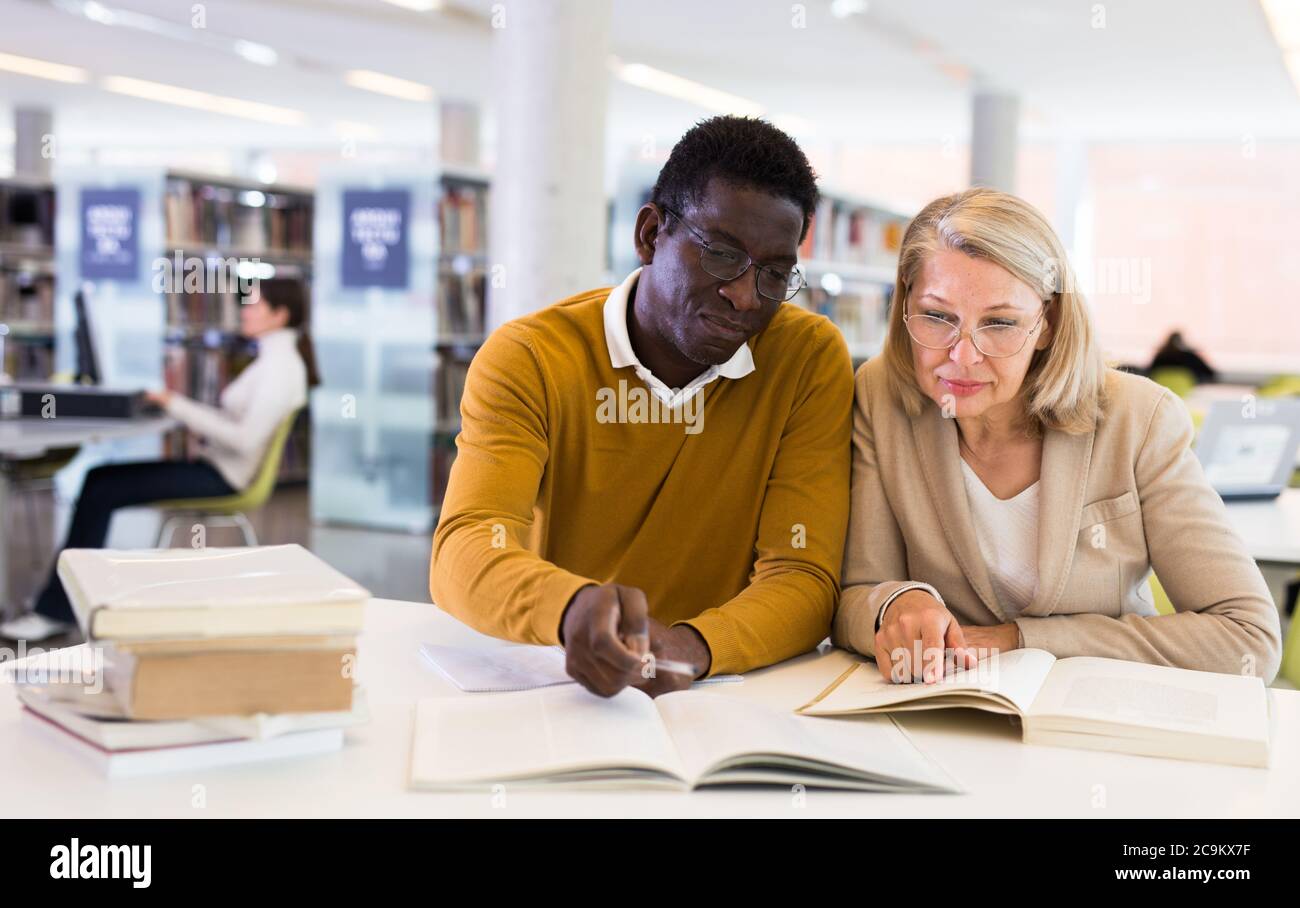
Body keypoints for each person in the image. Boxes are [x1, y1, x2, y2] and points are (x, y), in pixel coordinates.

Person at [431, 115, 852, 698]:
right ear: (651, 234)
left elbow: (802, 574)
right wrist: (571, 609)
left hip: (722, 688)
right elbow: (468, 543)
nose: (744, 295)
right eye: (722, 255)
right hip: (557, 681)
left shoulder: (806, 358)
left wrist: (692, 648)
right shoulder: (530, 358)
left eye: (774, 274)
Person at [833, 188, 1281, 684]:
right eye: (938, 317)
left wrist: (1020, 639)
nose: (962, 355)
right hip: (943, 715)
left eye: (1000, 323)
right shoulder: (881, 396)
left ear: (1046, 324)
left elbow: (1248, 639)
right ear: (903, 306)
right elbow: (853, 596)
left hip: (1098, 720)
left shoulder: (1139, 418)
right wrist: (895, 602)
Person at [0, 277, 317, 641]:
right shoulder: (274, 360)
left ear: (280, 314)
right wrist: (172, 403)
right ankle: (63, 601)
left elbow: (244, 441)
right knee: (100, 481)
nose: (244, 310)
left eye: (253, 304)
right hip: (216, 467)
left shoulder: (280, 368)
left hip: (223, 477)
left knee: (100, 485)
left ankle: (55, 610)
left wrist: (174, 405)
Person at [1147, 330, 1217, 384]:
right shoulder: (1189, 356)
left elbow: (1149, 373)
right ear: (1183, 341)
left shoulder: (1161, 356)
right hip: (1185, 394)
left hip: (1162, 395)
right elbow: (1210, 373)